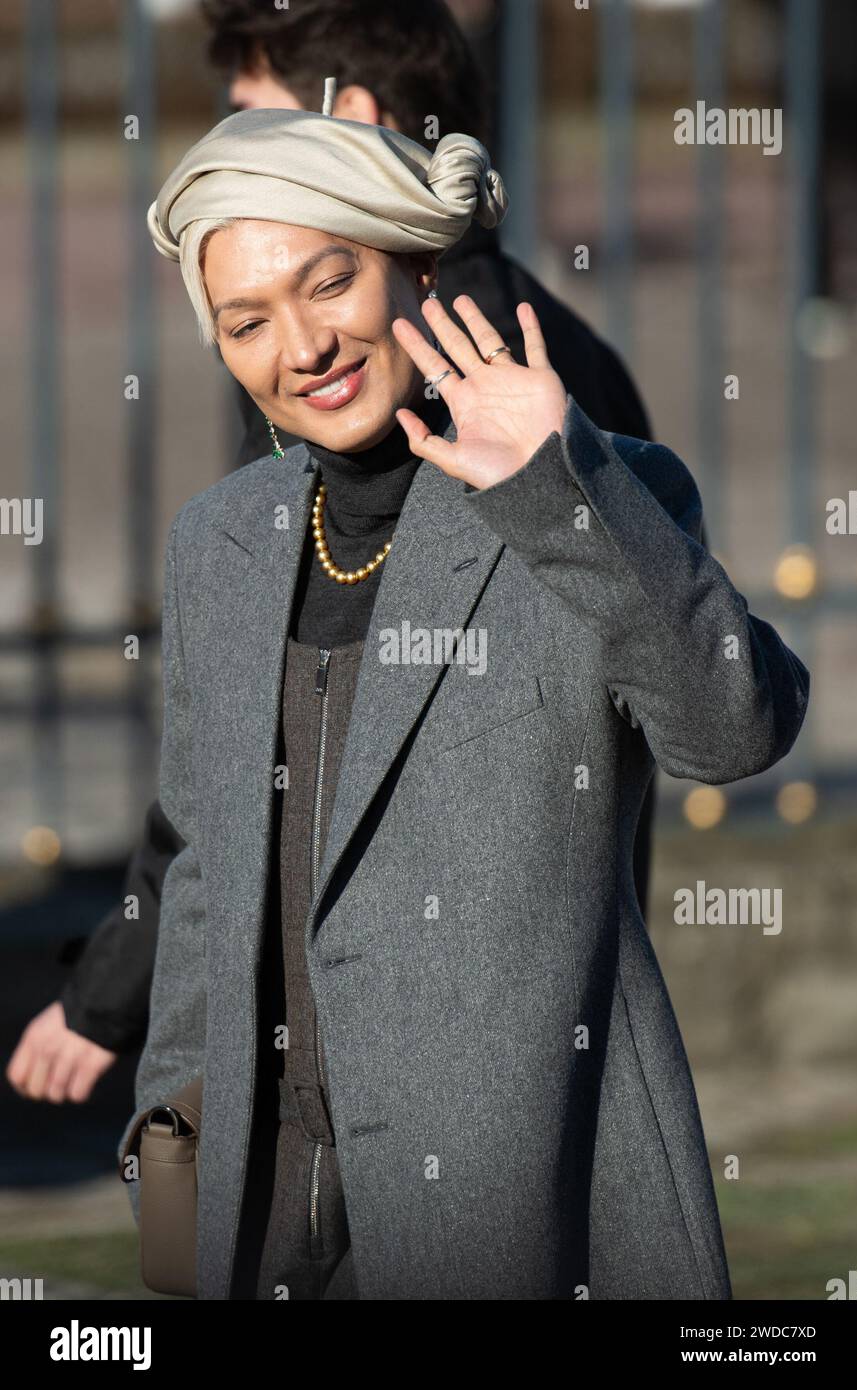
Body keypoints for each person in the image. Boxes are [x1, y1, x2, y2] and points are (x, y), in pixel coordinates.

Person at [119, 97, 808, 1300]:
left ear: (414, 262)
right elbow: (201, 863)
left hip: (524, 1202)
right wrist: (168, 1133)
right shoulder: (217, 540)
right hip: (262, 1216)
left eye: (329, 284)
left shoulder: (594, 488)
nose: (301, 347)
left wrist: (558, 489)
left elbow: (730, 728)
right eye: (246, 322)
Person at [7, 0, 657, 1106]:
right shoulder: (289, 420)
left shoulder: (509, 397)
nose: (295, 345)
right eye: (244, 322)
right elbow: (227, 787)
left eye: (254, 117)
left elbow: (701, 715)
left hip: (490, 1099)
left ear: (347, 120)